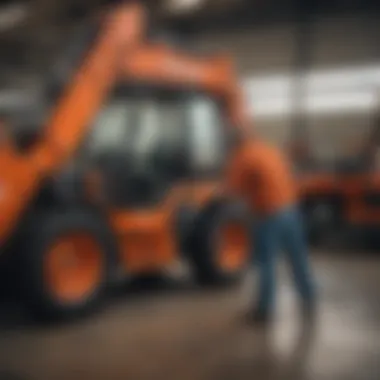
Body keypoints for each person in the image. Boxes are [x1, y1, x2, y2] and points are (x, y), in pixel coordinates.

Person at [226, 127, 316, 324]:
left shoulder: (243, 157)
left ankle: (264, 311)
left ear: (234, 143)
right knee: (298, 259)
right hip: (291, 211)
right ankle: (309, 300)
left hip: (269, 215)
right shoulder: (270, 150)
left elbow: (233, 191)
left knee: (267, 263)